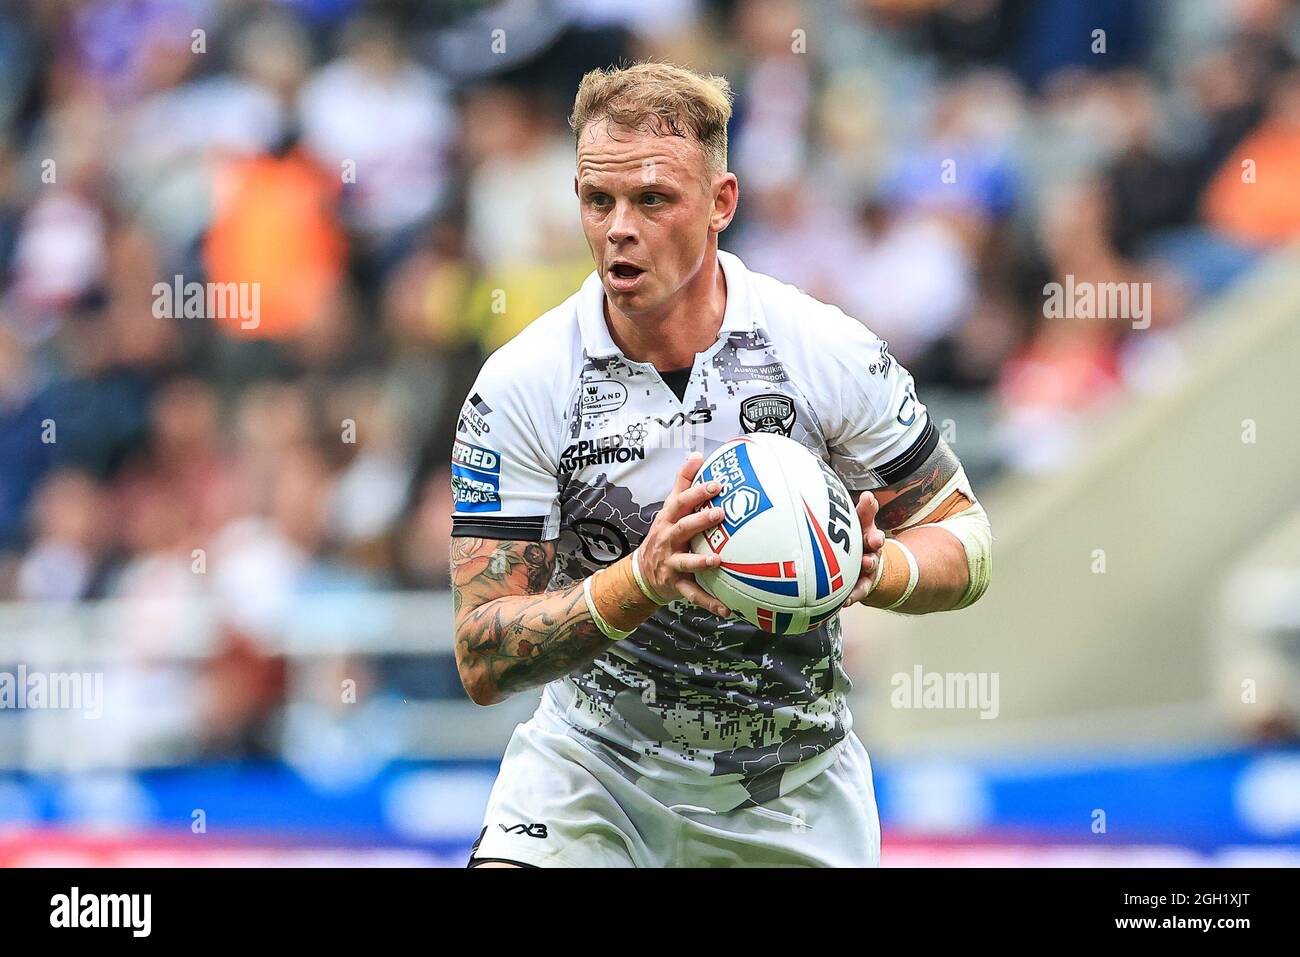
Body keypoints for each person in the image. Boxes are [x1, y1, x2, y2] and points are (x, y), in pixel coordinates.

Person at [449, 62, 992, 867]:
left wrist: (882, 570)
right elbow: (482, 652)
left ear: (721, 204)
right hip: (591, 779)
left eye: (653, 199)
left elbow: (968, 537)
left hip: (789, 792)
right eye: (598, 201)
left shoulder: (823, 350)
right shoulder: (521, 385)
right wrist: (642, 578)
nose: (618, 229)